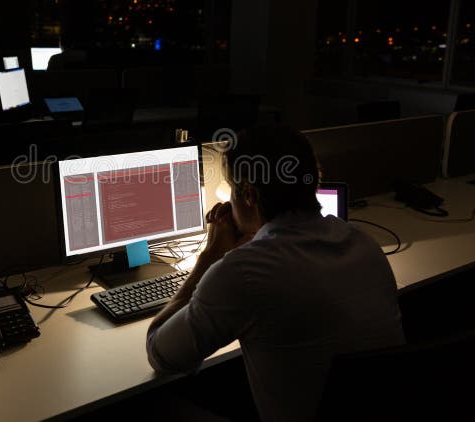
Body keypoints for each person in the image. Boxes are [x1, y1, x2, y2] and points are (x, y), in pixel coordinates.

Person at [146, 125, 405, 421]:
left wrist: (210, 257)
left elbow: (160, 354)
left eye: (232, 189)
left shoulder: (241, 273)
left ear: (250, 196)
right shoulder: (364, 242)